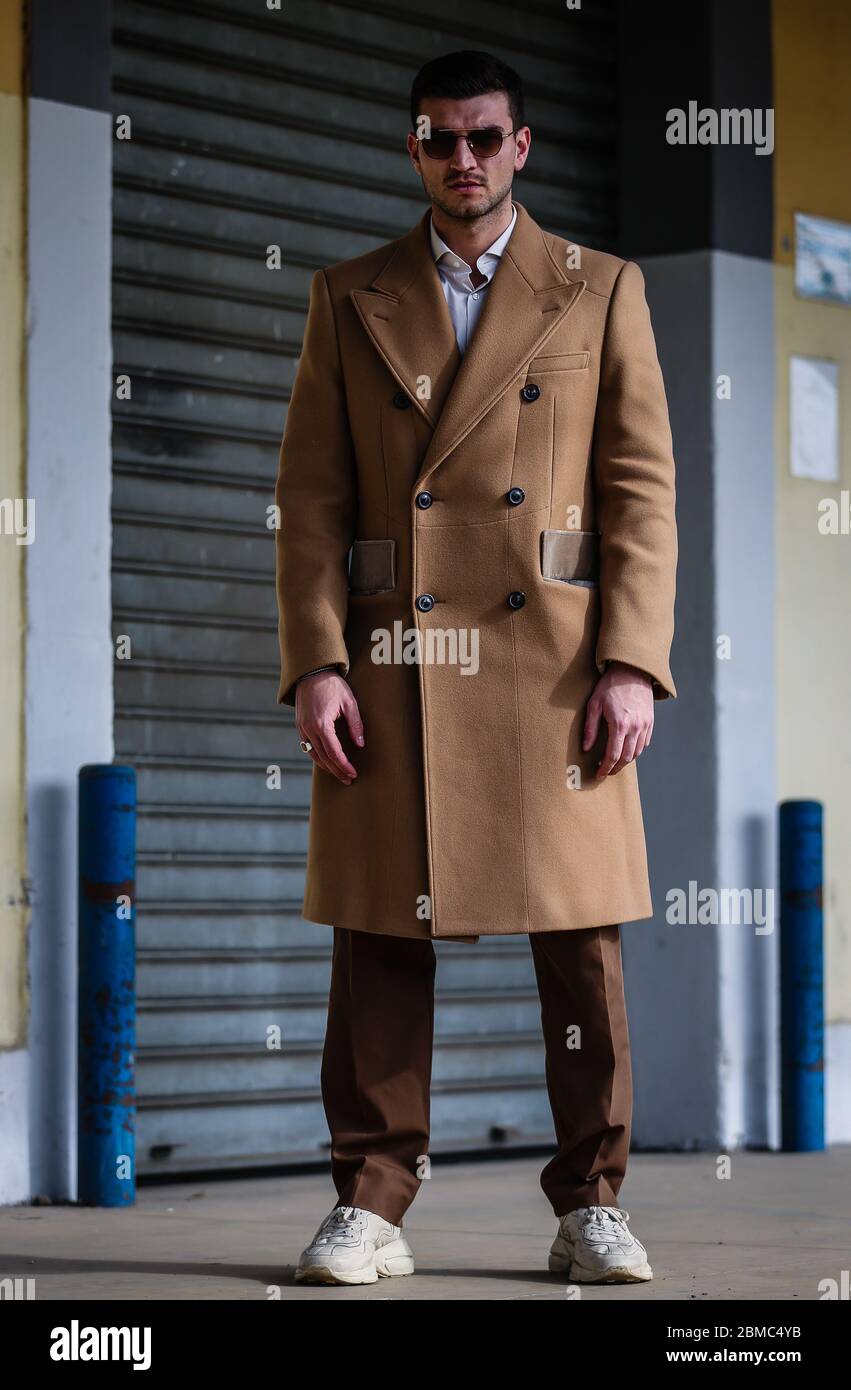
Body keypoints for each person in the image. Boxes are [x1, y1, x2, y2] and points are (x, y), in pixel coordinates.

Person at [274, 50, 677, 1287]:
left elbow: (639, 492)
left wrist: (630, 661)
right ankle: (373, 1202)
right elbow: (309, 499)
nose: (463, 158)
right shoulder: (349, 296)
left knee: (578, 944)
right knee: (380, 935)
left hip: (553, 666)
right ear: (411, 150)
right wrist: (317, 664)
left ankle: (589, 1204)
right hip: (397, 662)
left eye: (483, 136)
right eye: (438, 138)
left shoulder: (598, 287)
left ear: (521, 146)